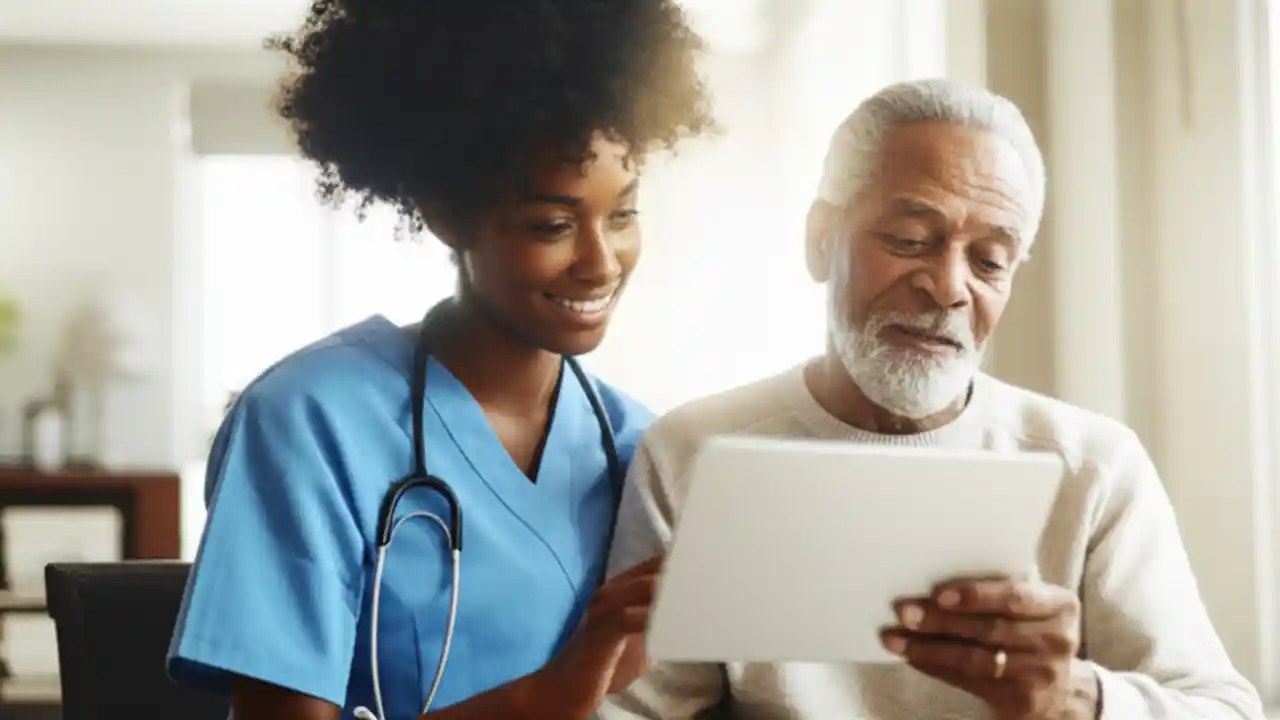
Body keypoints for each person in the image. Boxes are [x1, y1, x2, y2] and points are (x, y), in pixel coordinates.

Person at [599, 79, 1265, 720]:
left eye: (989, 261)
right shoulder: (693, 453)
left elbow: (1221, 710)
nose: (947, 287)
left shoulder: (1093, 466)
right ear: (822, 240)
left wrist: (1070, 699)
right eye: (911, 240)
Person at [166, 2, 714, 719]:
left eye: (622, 214)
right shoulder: (309, 421)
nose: (600, 261)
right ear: (446, 213)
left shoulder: (643, 448)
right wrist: (551, 695)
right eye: (552, 224)